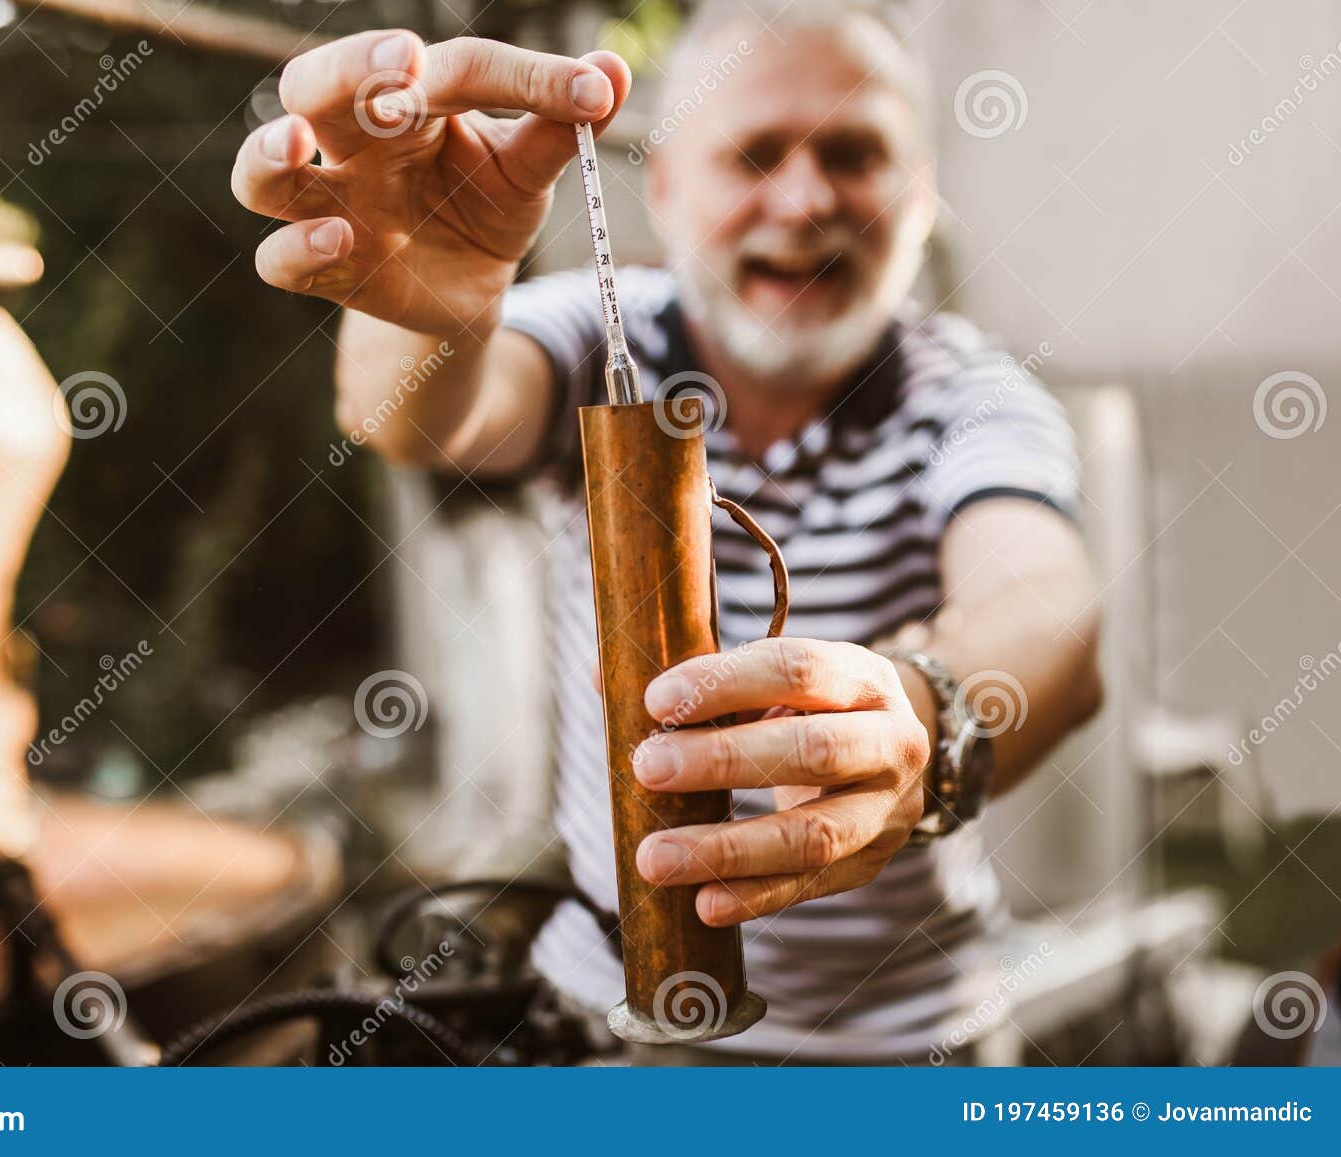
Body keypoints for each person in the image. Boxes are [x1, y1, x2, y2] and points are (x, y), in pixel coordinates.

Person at [231, 0, 1103, 1062]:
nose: (804, 196)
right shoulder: (605, 334)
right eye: (752, 153)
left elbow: (1048, 616)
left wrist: (923, 714)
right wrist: (424, 308)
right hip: (611, 1022)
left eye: (852, 152)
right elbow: (414, 416)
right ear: (667, 187)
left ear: (917, 193)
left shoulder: (971, 395)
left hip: (906, 1049)